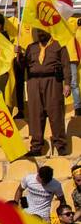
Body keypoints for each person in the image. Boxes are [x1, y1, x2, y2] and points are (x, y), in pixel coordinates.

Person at [20, 28, 71, 156]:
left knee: (55, 113)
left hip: (52, 81)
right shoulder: (31, 48)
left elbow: (66, 65)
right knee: (36, 114)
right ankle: (36, 146)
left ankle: (60, 145)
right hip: (34, 82)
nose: (40, 34)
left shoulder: (58, 45)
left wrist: (67, 84)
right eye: (38, 31)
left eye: (42, 31)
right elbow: (22, 66)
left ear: (49, 31)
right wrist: (18, 56)